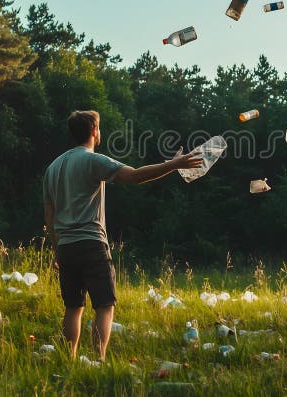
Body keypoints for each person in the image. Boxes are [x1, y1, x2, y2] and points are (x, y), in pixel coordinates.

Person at [43, 110, 203, 362]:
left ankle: (69, 362)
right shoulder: (93, 160)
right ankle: (99, 361)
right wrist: (174, 164)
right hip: (91, 243)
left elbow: (49, 216)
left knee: (73, 307)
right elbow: (136, 176)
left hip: (65, 247)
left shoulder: (52, 168)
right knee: (104, 306)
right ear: (95, 131)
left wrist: (57, 251)